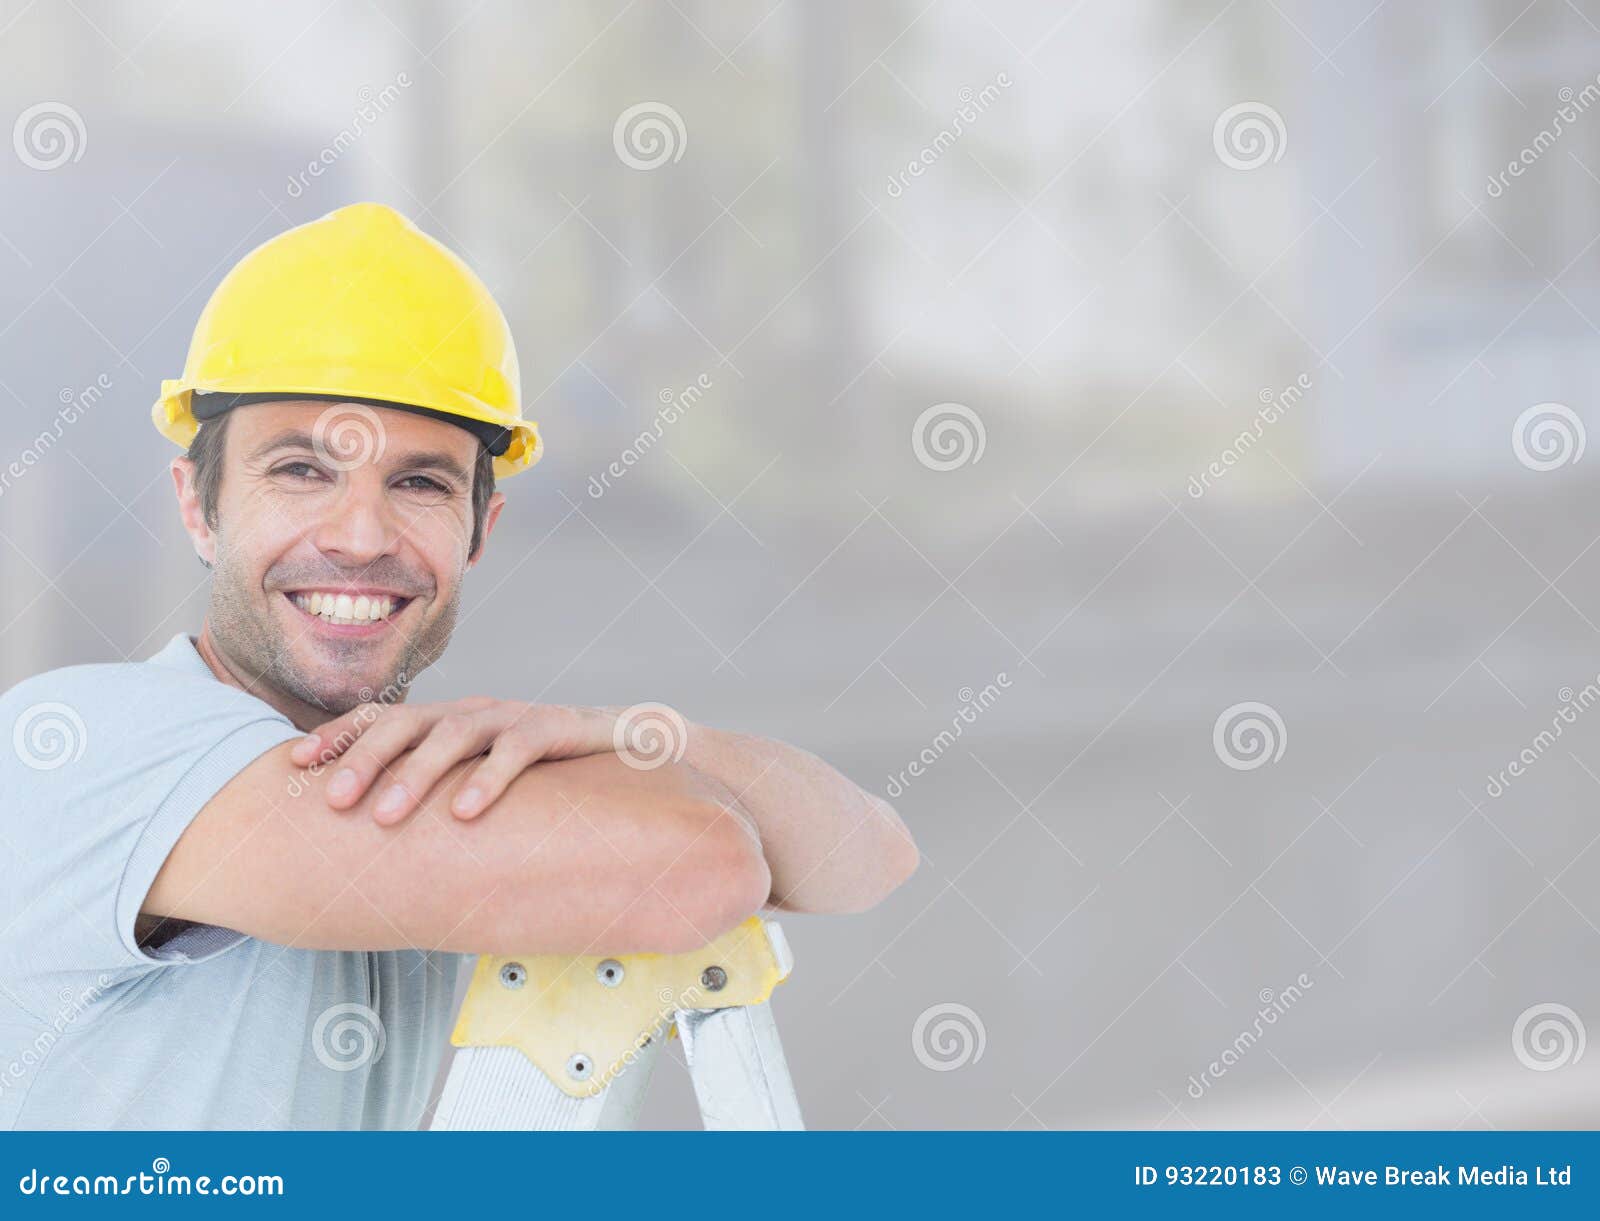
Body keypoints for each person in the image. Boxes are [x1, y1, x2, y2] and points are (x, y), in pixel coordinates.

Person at [0, 203, 917, 1130]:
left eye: (419, 482)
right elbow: (702, 863)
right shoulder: (83, 747)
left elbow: (870, 854)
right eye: (301, 472)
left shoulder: (428, 776)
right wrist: (634, 773)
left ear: (480, 530)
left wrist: (620, 731)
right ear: (198, 508)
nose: (361, 537)